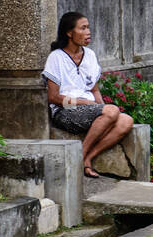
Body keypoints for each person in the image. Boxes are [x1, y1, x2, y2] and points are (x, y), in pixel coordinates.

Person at [43, 11, 134, 179]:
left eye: (88, 27)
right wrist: (81, 102)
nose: (88, 32)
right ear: (69, 33)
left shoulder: (90, 55)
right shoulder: (56, 58)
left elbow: (94, 90)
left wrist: (105, 110)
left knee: (126, 120)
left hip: (90, 110)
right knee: (112, 111)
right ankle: (81, 157)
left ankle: (87, 157)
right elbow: (53, 97)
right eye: (83, 28)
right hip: (65, 110)